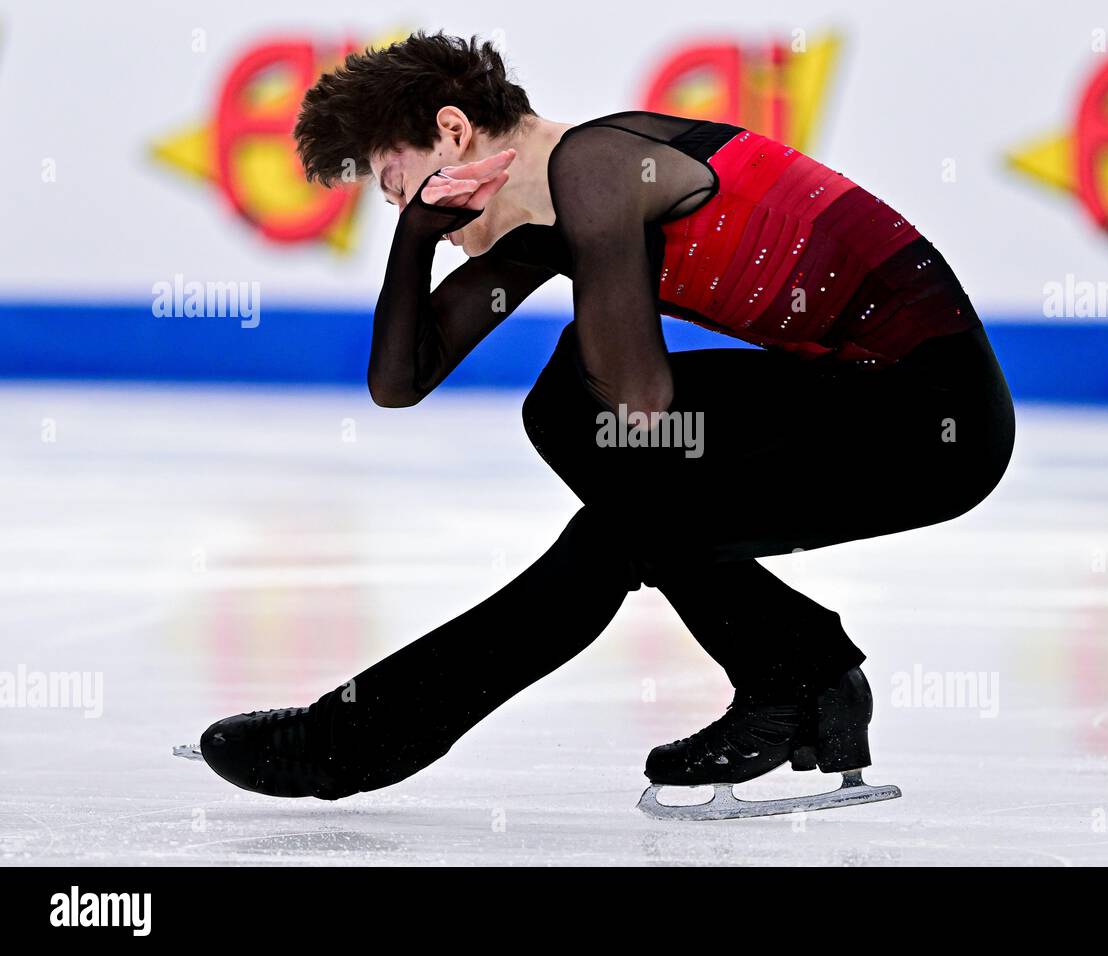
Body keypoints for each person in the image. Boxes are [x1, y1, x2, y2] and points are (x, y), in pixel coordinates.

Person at [195, 31, 1015, 813]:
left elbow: (641, 406)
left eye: (398, 184)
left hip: (931, 419)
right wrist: (415, 233)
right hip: (845, 388)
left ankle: (355, 739)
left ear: (452, 131)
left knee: (615, 514)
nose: (405, 209)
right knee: (572, 423)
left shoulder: (599, 164)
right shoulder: (551, 210)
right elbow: (400, 380)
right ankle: (800, 674)